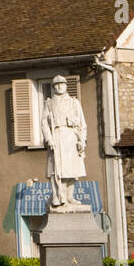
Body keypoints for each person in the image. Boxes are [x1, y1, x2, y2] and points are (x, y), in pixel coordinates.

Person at [41, 74, 87, 209]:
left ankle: (69, 196)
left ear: (66, 86)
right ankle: (57, 196)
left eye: (62, 84)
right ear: (53, 87)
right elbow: (44, 123)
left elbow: (82, 123)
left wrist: (82, 140)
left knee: (73, 169)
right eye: (57, 85)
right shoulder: (49, 103)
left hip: (72, 136)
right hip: (57, 135)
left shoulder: (74, 102)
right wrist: (49, 139)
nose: (60, 86)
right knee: (56, 169)